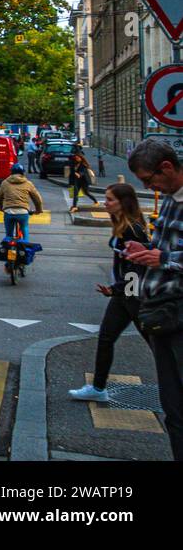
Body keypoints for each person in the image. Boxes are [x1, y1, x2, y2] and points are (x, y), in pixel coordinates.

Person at [69, 182, 151, 402]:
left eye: (110, 200)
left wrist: (119, 290)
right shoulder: (122, 225)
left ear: (124, 202)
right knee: (106, 337)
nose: (105, 203)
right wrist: (117, 291)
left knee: (158, 345)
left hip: (134, 296)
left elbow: (137, 266)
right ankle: (98, 389)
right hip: (124, 294)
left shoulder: (132, 229)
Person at [127, 139, 183, 460]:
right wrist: (144, 251)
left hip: (179, 316)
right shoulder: (172, 200)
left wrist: (162, 258)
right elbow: (163, 248)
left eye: (149, 181)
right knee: (174, 412)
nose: (150, 187)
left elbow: (167, 256)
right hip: (161, 316)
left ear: (166, 167)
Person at [0, 163, 43, 245]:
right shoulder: (28, 183)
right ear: (23, 173)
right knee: (24, 227)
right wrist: (38, 210)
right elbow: (37, 199)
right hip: (23, 212)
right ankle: (25, 245)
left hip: (9, 211)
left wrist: (0, 208)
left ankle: (8, 247)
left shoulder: (5, 183)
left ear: (11, 172)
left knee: (9, 234)